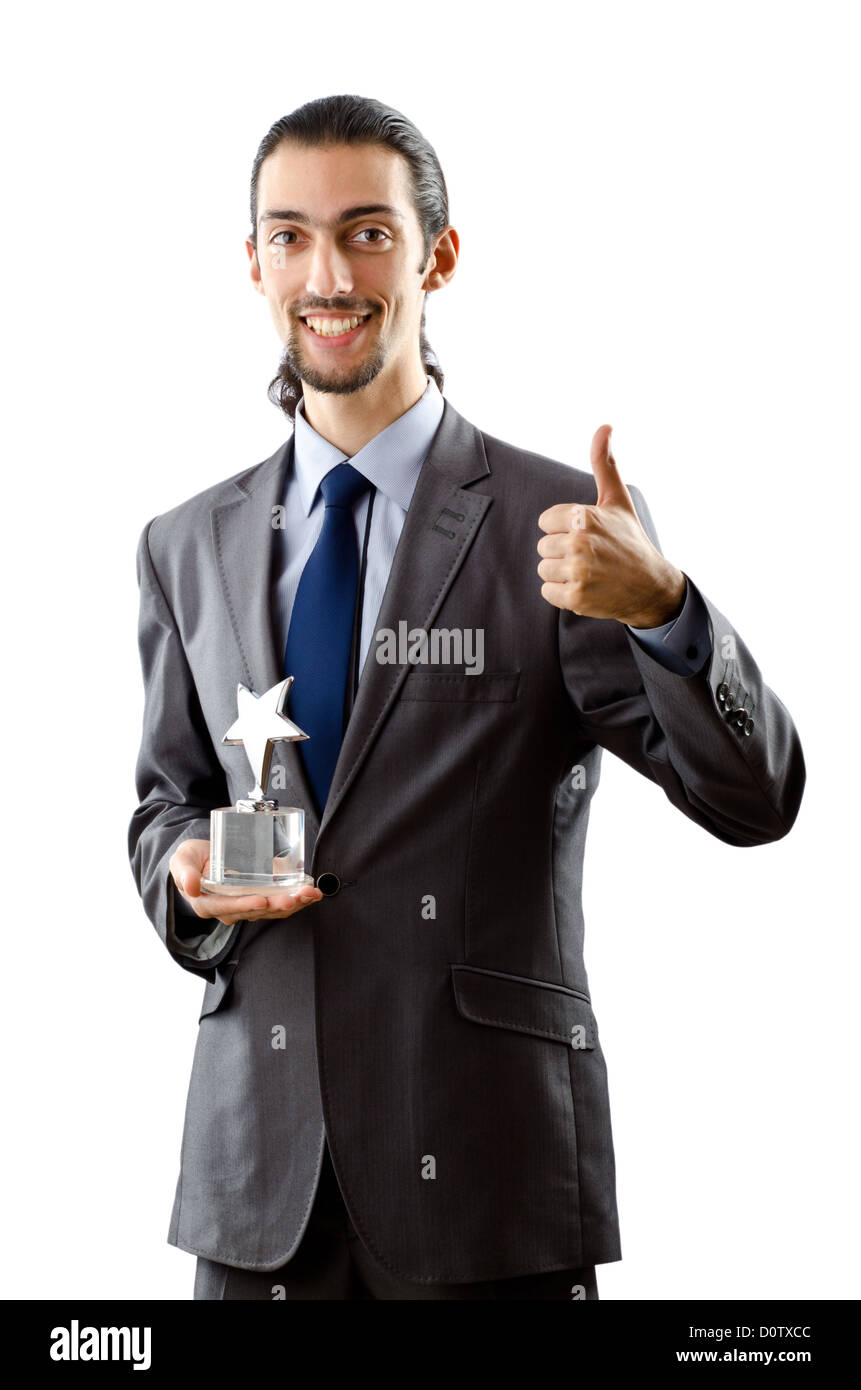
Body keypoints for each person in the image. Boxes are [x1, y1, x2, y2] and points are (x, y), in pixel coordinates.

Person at [128, 94, 806, 1301]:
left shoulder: (560, 529)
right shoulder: (185, 542)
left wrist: (666, 610)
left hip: (490, 1190)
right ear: (254, 265)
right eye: (290, 236)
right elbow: (167, 802)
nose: (327, 272)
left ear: (440, 255)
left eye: (368, 233)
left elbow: (755, 799)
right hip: (254, 1192)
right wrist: (182, 870)